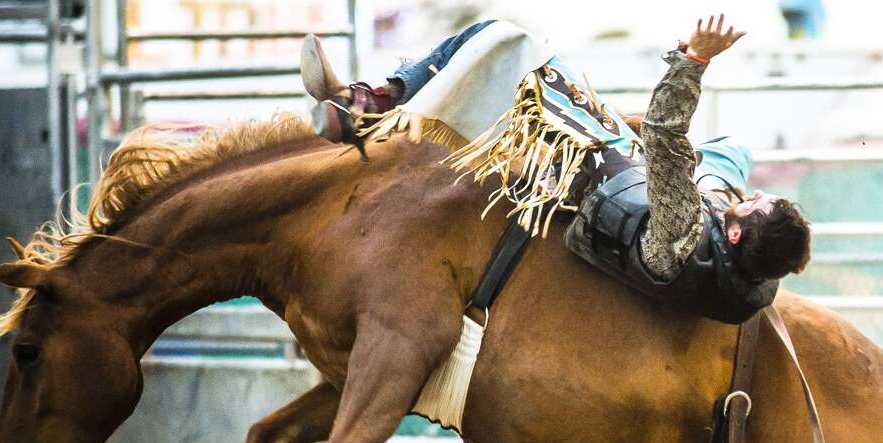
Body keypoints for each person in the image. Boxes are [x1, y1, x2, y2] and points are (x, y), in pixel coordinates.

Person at [310, 15, 811, 323]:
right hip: (639, 188)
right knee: (732, 151)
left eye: (756, 203)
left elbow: (663, 132)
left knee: (499, 37)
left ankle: (372, 104)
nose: (758, 194)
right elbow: (720, 179)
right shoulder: (739, 266)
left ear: (738, 232)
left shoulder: (683, 230)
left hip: (593, 170)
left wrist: (694, 58)